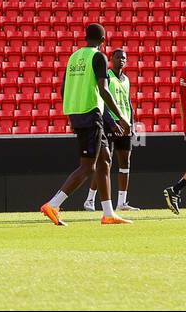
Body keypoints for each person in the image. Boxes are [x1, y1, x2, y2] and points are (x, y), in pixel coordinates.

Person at [40, 23, 131, 226]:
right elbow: (104, 90)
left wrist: (71, 115)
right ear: (103, 40)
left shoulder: (74, 57)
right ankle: (53, 204)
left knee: (105, 159)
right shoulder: (98, 57)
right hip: (91, 113)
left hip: (77, 113)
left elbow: (64, 88)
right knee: (88, 166)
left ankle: (108, 213)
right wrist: (121, 118)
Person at [84, 48, 138, 212]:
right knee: (105, 163)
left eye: (124, 58)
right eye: (118, 57)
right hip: (110, 124)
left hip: (124, 124)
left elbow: (128, 103)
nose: (121, 60)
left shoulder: (126, 79)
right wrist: (112, 122)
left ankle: (122, 202)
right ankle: (90, 199)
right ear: (111, 59)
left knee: (125, 162)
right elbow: (103, 101)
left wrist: (131, 124)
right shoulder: (107, 76)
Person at [163, 57, 186, 215]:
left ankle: (175, 190)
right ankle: (175, 189)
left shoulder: (184, 72)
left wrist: (184, 127)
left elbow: (181, 101)